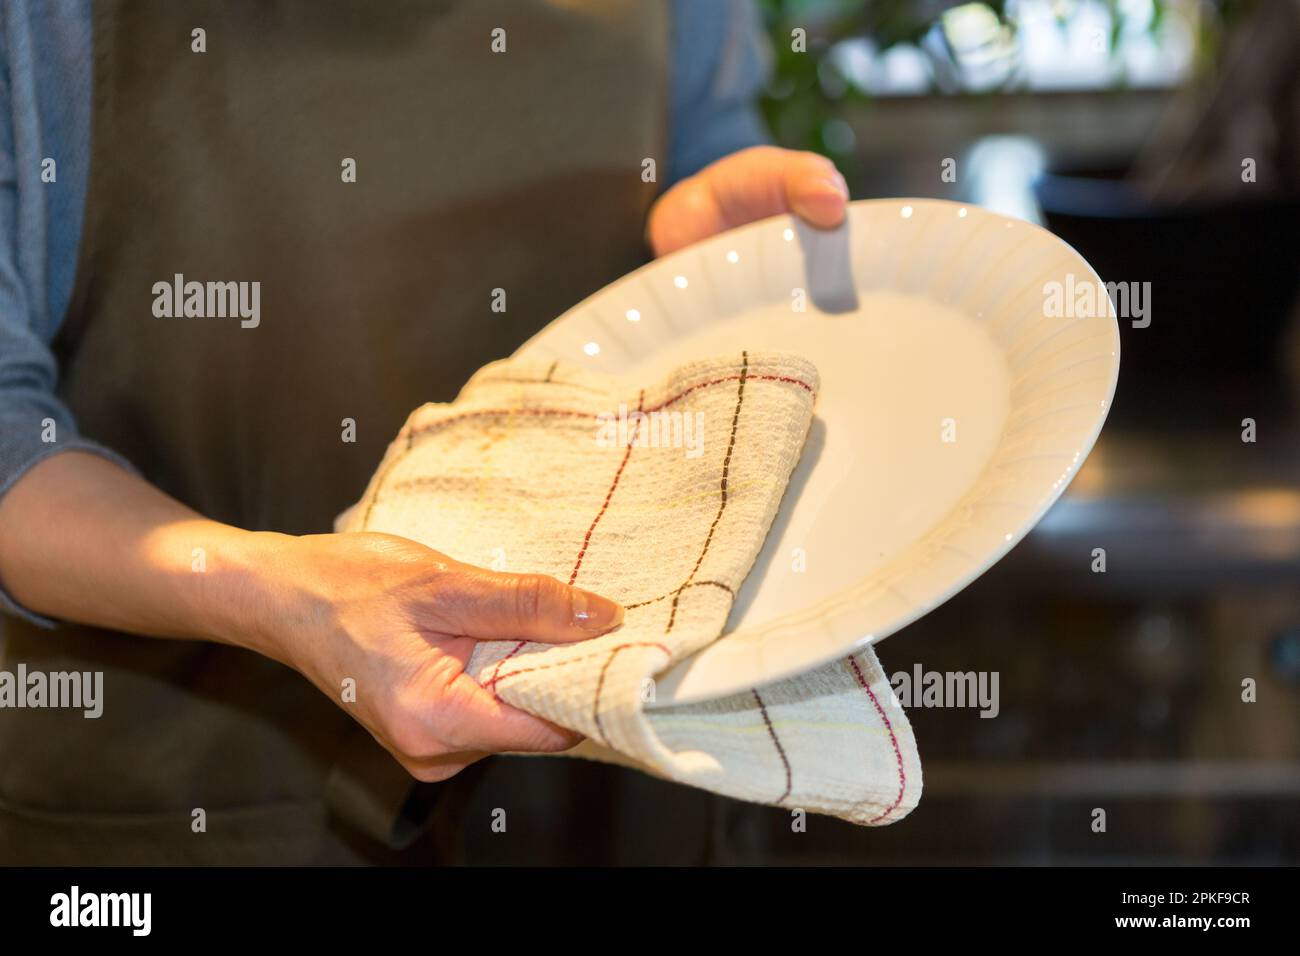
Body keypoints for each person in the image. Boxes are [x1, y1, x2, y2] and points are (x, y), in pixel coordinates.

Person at [0, 0, 848, 864]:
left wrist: (710, 263)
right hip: (194, 801)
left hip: (631, 770)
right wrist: (273, 592)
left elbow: (701, 156)